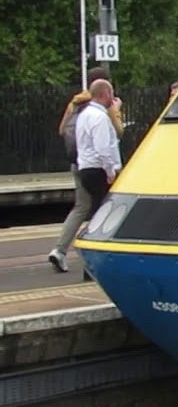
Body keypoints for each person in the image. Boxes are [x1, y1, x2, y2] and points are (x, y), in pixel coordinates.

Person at [49, 68, 123, 274]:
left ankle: (59, 250)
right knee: (104, 212)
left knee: (82, 208)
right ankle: (93, 260)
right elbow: (117, 133)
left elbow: (62, 130)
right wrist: (116, 111)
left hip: (79, 164)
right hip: (99, 165)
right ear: (105, 86)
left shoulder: (76, 104)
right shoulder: (102, 110)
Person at [71, 79, 123, 281]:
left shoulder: (84, 115)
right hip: (99, 169)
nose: (113, 98)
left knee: (95, 215)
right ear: (105, 94)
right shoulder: (100, 118)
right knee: (104, 217)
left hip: (86, 168)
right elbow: (103, 148)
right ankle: (93, 265)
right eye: (111, 93)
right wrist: (111, 170)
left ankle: (90, 266)